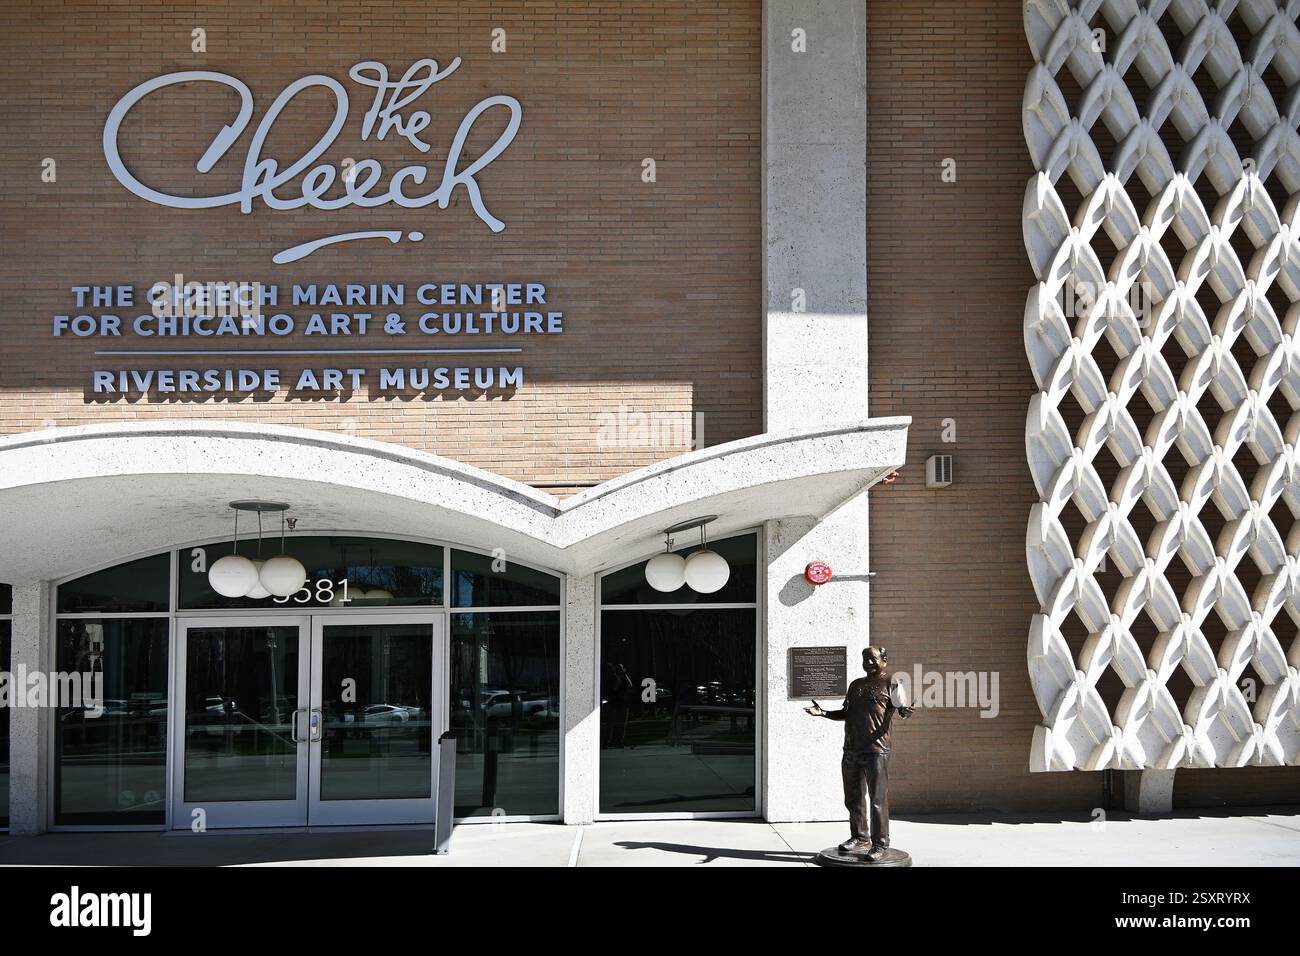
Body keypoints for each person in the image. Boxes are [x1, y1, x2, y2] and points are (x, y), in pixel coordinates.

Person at [805, 645, 914, 862]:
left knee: (877, 799)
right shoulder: (855, 685)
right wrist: (823, 713)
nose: (868, 663)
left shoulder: (891, 682)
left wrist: (905, 711)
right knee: (853, 797)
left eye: (873, 659)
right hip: (852, 749)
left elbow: (903, 709)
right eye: (865, 659)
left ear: (884, 659)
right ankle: (859, 837)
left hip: (876, 750)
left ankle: (880, 844)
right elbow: (846, 713)